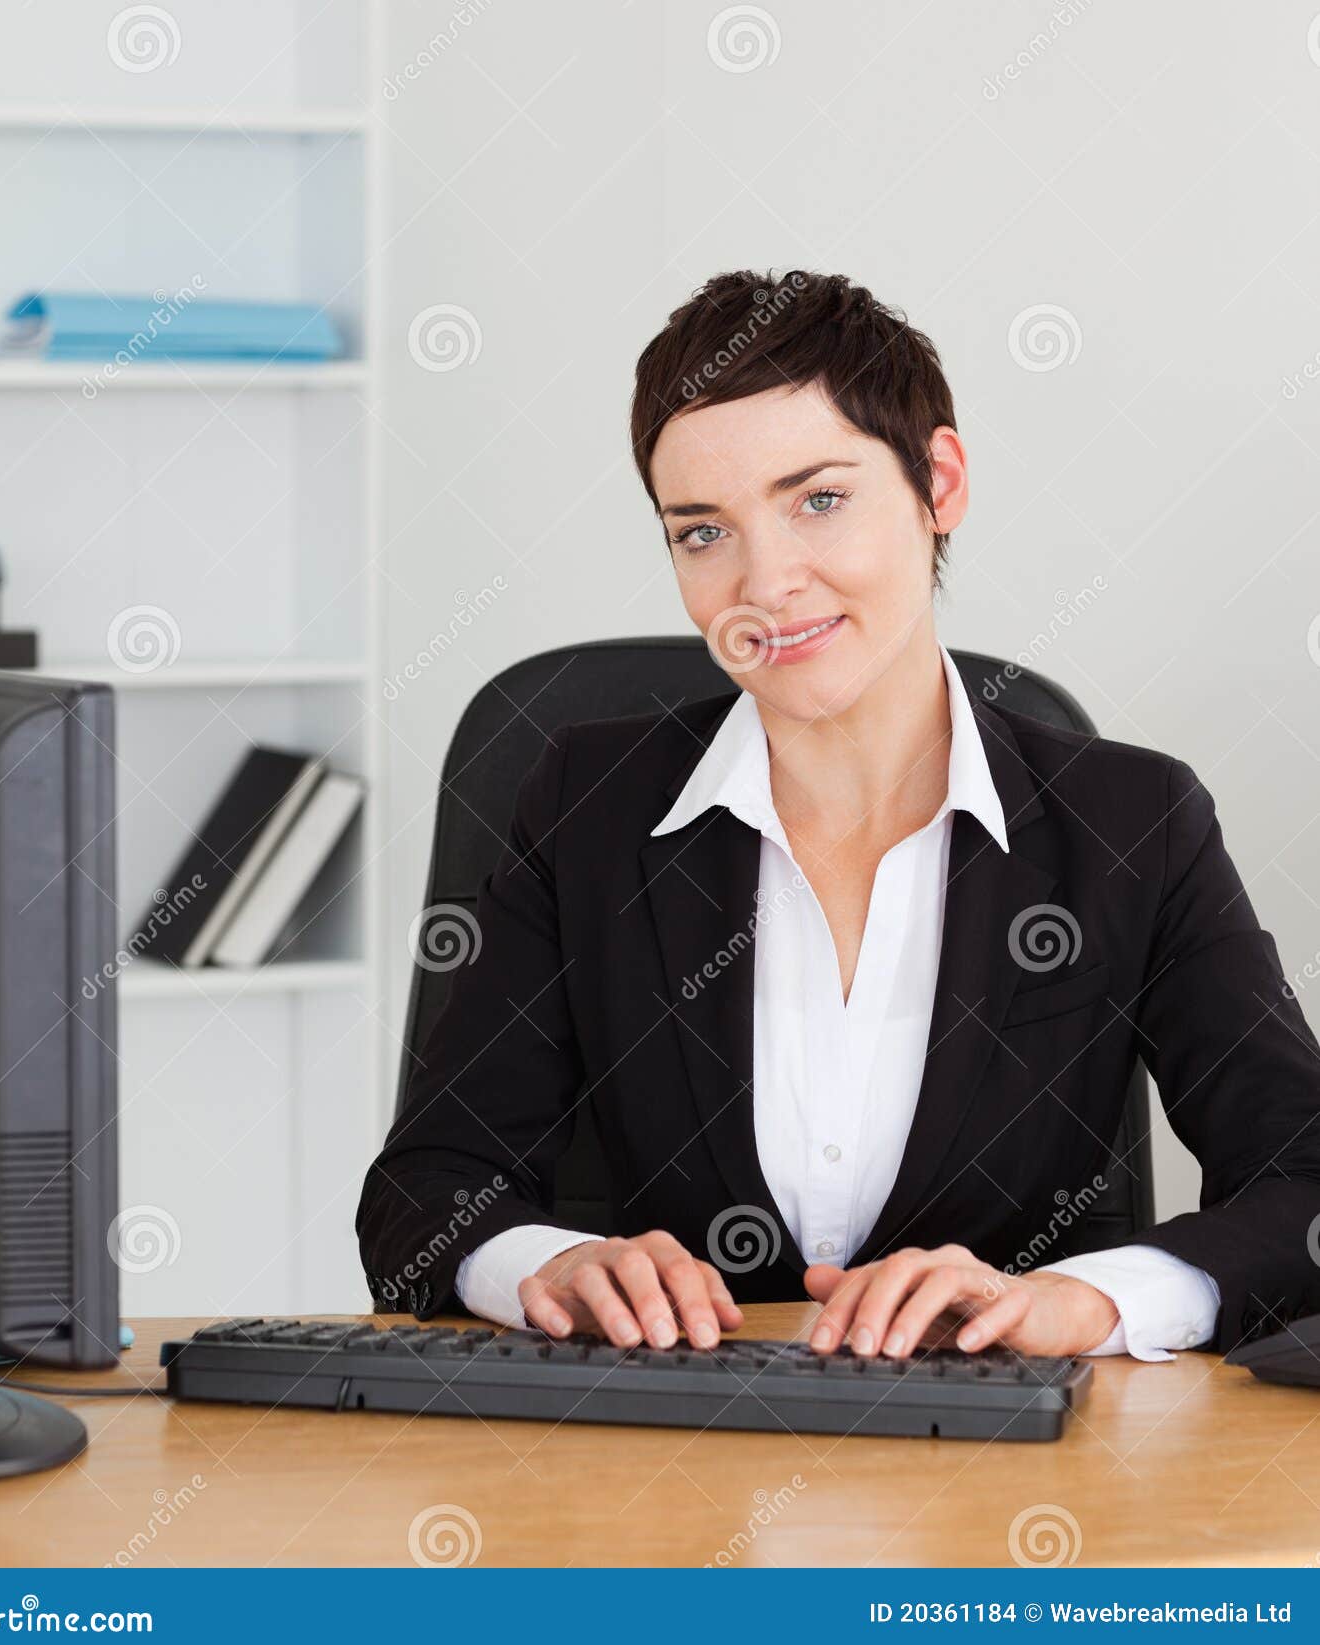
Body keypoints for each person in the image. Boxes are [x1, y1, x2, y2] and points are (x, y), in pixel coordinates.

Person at [358, 269, 1320, 1362]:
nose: (765, 583)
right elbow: (424, 1188)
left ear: (937, 484)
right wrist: (543, 1262)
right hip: (667, 1444)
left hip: (1007, 1452)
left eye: (817, 500)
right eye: (701, 532)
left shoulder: (1131, 821)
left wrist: (1084, 1301)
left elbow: (1303, 1179)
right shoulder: (588, 804)